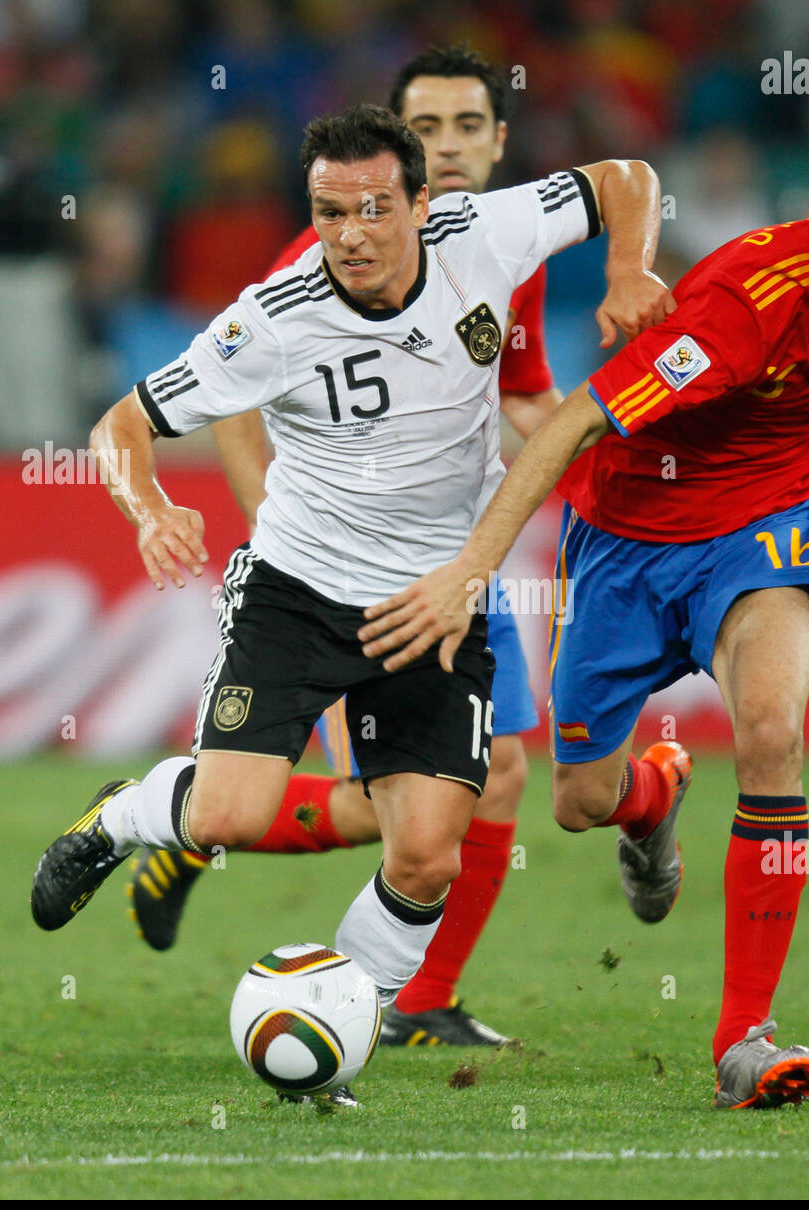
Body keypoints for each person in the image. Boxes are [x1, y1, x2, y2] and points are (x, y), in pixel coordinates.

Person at [359, 125, 809, 1110]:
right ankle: (653, 801)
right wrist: (468, 571)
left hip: (763, 528)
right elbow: (576, 419)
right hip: (625, 538)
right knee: (578, 799)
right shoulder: (745, 306)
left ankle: (744, 1036)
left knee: (772, 731)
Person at [29, 105, 670, 1091]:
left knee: (425, 852)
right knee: (230, 817)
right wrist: (147, 507)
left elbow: (626, 175)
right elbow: (123, 422)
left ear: (422, 201)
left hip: (433, 599)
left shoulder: (484, 234)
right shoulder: (272, 316)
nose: (352, 233)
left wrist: (629, 269)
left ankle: (340, 1037)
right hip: (298, 590)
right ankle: (126, 817)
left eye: (375, 208)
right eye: (330, 212)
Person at [128, 47, 571, 1050]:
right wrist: (284, 536)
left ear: (499, 141)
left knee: (487, 779)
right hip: (330, 573)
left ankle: (417, 997)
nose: (448, 146)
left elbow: (515, 396)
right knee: (391, 805)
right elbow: (228, 405)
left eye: (468, 126)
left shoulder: (502, 247)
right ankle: (186, 825)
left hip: (458, 557)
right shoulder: (326, 257)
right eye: (428, 129)